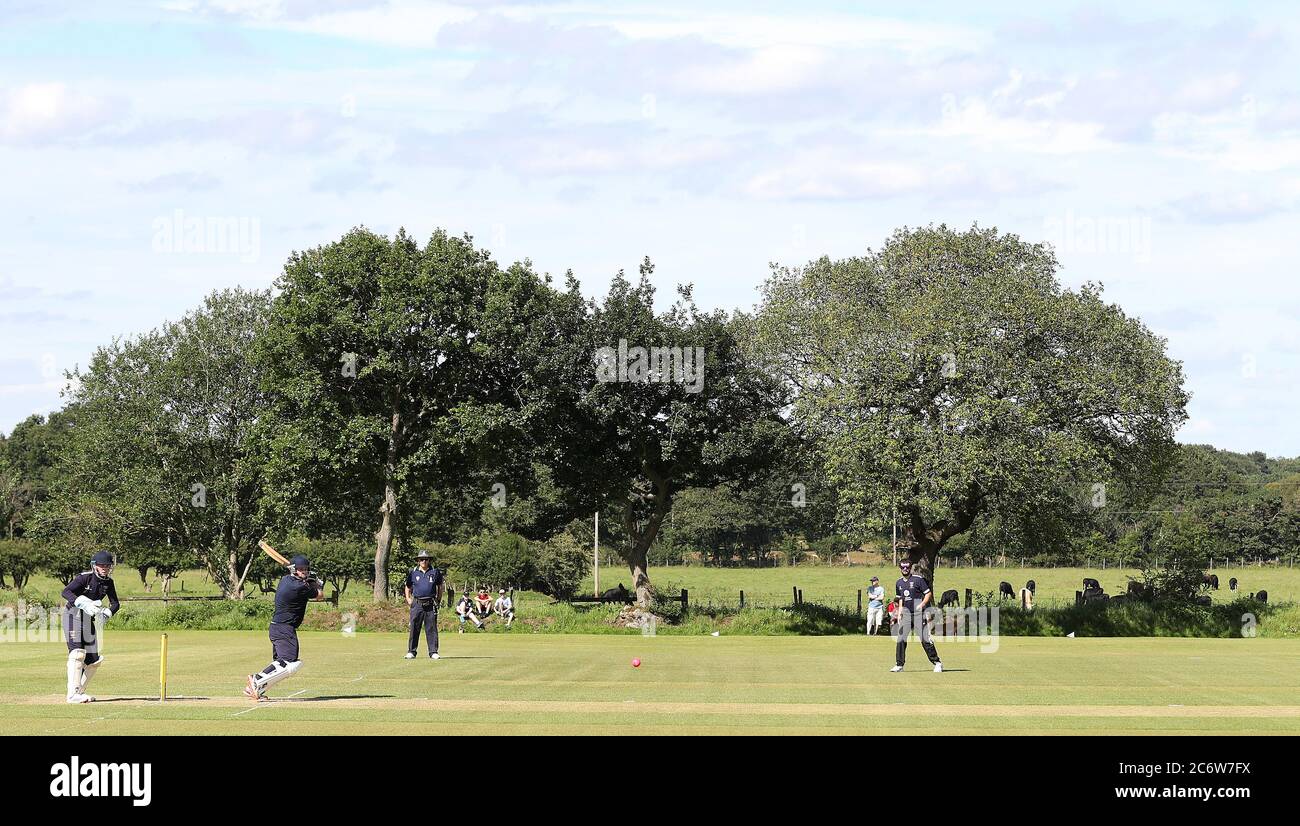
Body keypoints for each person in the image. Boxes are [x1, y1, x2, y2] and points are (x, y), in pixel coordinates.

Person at [245, 554, 324, 700]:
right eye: (300, 569)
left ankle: (256, 687)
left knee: (280, 662)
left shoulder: (286, 580)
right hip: (284, 628)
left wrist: (309, 581)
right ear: (293, 569)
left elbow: (306, 585)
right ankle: (256, 679)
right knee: (291, 664)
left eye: (306, 569)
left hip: (278, 628)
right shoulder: (298, 586)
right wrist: (317, 584)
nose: (304, 572)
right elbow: (320, 595)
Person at [61, 551, 120, 704]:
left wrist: (107, 613)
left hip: (88, 621)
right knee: (77, 654)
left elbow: (115, 603)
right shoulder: (84, 578)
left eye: (107, 565)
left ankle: (79, 692)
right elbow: (66, 592)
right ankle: (72, 694)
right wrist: (81, 602)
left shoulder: (108, 583)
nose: (105, 568)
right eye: (102, 565)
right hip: (72, 616)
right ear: (94, 566)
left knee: (94, 660)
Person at [890, 559, 942, 673]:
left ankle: (937, 662)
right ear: (900, 568)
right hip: (906, 615)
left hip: (919, 614)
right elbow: (900, 599)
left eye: (907, 567)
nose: (905, 569)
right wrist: (899, 613)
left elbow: (928, 593)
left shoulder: (918, 580)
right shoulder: (898, 583)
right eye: (903, 567)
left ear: (910, 568)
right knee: (901, 639)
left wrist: (923, 604)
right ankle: (899, 665)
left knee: (925, 639)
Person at [404, 550, 445, 659]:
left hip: (430, 604)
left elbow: (440, 586)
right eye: (421, 559)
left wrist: (438, 599)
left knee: (431, 628)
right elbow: (408, 586)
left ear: (429, 560)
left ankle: (433, 652)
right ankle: (411, 651)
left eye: (426, 559)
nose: (424, 561)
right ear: (418, 561)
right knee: (414, 627)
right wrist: (408, 599)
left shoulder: (435, 572)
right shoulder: (413, 572)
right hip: (417, 603)